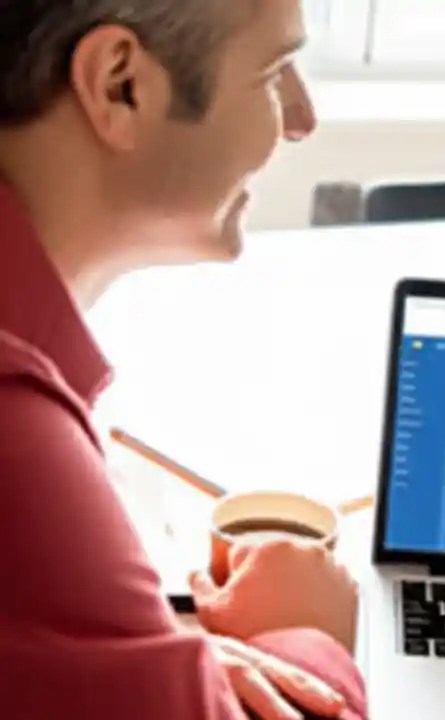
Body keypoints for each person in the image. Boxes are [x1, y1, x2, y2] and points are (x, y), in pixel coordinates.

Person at [0, 1, 367, 718]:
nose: (301, 119)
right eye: (272, 73)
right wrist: (306, 638)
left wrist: (147, 659)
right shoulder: (17, 438)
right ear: (120, 85)